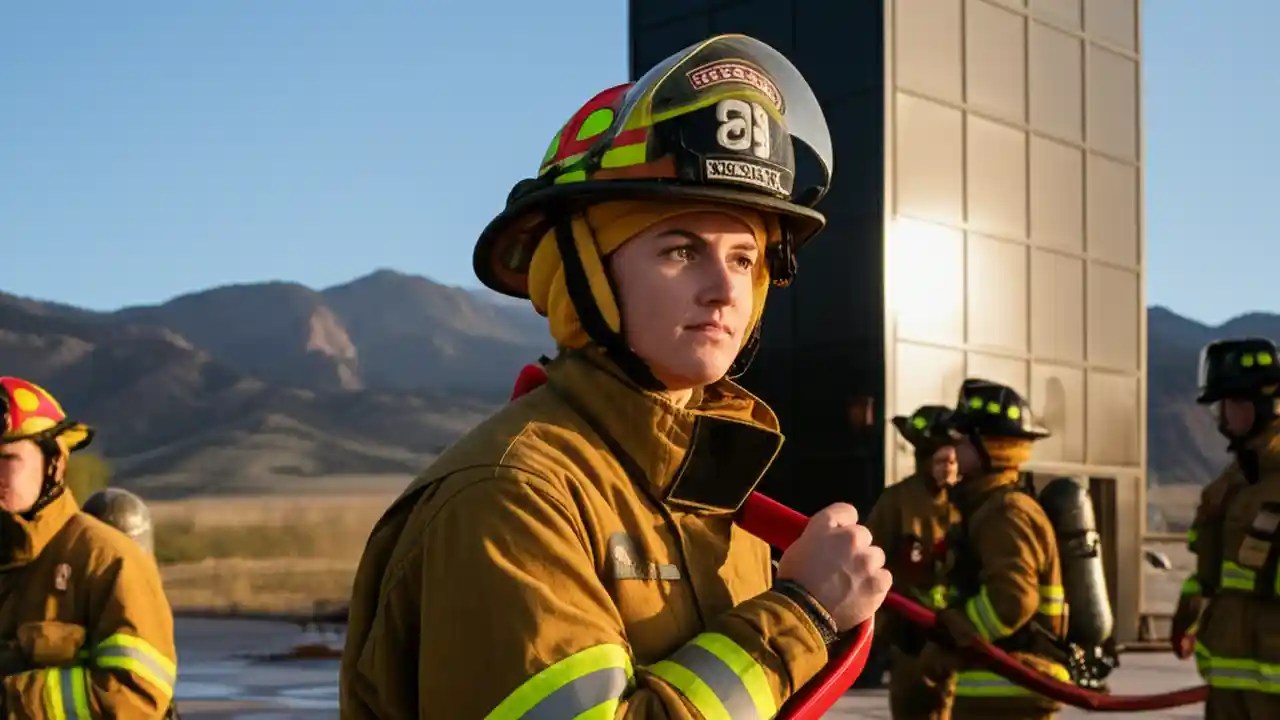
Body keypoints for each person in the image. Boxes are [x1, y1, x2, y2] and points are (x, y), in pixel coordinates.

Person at [340, 33, 892, 719]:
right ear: (584, 272)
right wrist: (801, 615)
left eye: (745, 258)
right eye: (681, 249)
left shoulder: (719, 498)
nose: (725, 289)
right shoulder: (512, 496)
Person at [0, 376, 177, 718]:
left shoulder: (107, 560)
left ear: (55, 464)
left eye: (7, 459)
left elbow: (135, 695)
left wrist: (9, 700)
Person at [919, 379, 1068, 720]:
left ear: (989, 445)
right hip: (998, 692)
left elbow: (1013, 599)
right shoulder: (987, 507)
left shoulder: (1006, 512)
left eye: (963, 441)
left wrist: (952, 637)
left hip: (1009, 690)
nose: (954, 452)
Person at [1172, 337, 1280, 719]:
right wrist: (1191, 601)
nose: (1222, 417)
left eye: (1233, 404)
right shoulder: (1228, 487)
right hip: (1231, 678)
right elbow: (1216, 570)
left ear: (1267, 406)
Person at [865, 405, 960, 719]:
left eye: (953, 461)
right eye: (941, 461)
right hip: (907, 634)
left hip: (950, 633)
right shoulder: (897, 501)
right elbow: (870, 559)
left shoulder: (964, 506)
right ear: (925, 461)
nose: (948, 468)